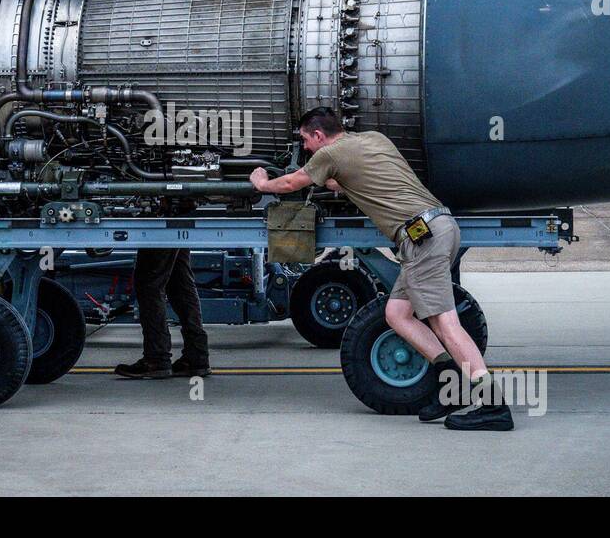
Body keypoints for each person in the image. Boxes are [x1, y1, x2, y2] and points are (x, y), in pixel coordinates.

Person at [249, 107, 512, 431]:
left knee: (446, 324)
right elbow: (354, 181)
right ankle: (450, 386)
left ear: (318, 135)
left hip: (421, 239)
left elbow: (291, 182)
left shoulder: (329, 154)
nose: (305, 147)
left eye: (305, 140)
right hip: (437, 226)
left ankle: (494, 405)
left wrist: (262, 183)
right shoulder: (372, 140)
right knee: (397, 314)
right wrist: (332, 182)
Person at [114, 200, 210, 379]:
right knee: (179, 283)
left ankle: (156, 358)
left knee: (149, 283)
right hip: (179, 208)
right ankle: (196, 357)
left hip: (164, 212)